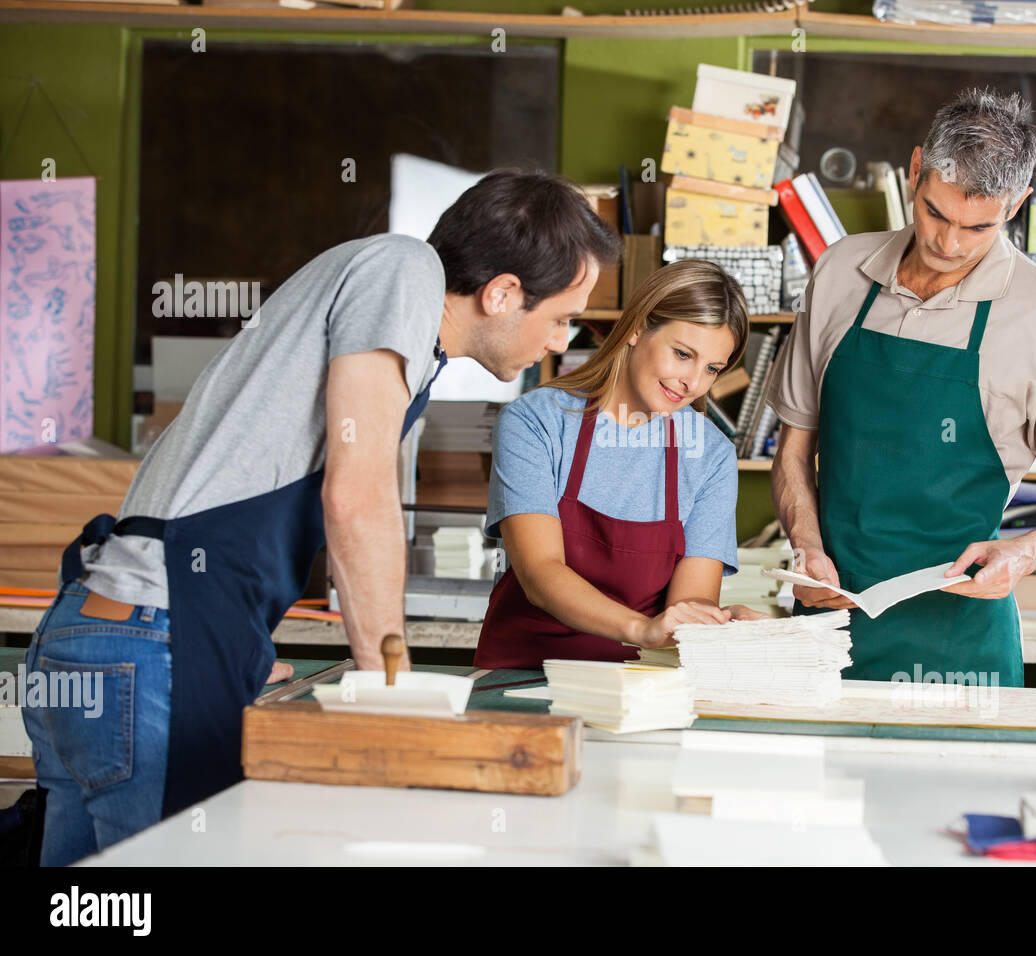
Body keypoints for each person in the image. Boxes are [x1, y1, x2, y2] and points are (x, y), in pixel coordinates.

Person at [21, 170, 622, 865]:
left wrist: (239, 648)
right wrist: (388, 688)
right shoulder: (405, 270)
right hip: (152, 649)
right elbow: (356, 491)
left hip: (100, 637)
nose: (560, 341)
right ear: (503, 293)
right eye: (561, 318)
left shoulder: (390, 315)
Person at [766, 88, 1036, 687]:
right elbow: (795, 448)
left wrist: (1024, 554)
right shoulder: (839, 273)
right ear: (914, 170)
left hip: (959, 649)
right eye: (936, 212)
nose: (949, 244)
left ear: (1018, 204)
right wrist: (806, 547)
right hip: (827, 623)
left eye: (978, 227)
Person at [475, 259, 765, 670]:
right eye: (683, 354)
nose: (694, 383)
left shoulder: (711, 455)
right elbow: (541, 573)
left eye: (712, 369)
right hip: (524, 677)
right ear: (635, 328)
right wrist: (641, 629)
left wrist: (715, 621)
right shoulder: (535, 423)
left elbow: (690, 601)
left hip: (639, 685)